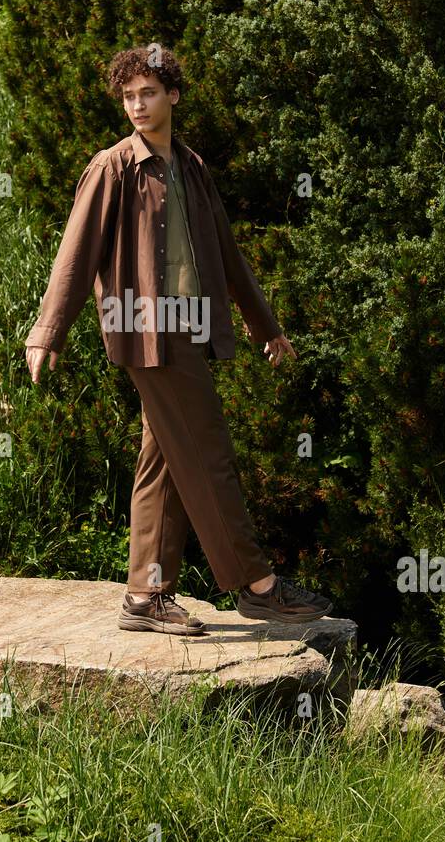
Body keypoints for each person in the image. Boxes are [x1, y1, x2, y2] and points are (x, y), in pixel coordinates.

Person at [25, 44, 333, 636]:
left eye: (147, 93)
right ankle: (258, 586)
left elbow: (224, 251)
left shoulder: (190, 166)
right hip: (146, 327)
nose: (137, 105)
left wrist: (265, 324)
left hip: (189, 325)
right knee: (208, 449)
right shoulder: (112, 167)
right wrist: (49, 332)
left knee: (164, 460)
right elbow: (76, 249)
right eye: (128, 96)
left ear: (173, 96)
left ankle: (146, 596)